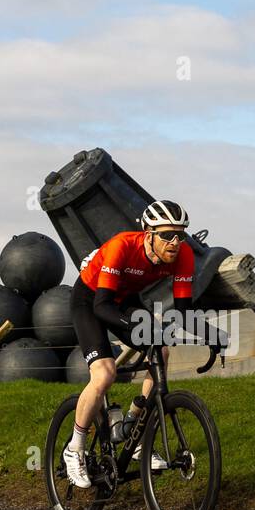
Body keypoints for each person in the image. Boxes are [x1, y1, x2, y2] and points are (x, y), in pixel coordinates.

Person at [63, 200, 197, 488]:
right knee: (105, 373)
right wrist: (138, 327)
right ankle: (74, 448)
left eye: (180, 235)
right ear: (148, 234)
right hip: (91, 299)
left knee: (160, 349)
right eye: (166, 235)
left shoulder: (183, 254)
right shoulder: (121, 246)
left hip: (125, 300)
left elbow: (184, 309)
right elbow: (102, 306)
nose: (175, 242)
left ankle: (132, 426)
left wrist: (211, 337)